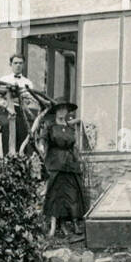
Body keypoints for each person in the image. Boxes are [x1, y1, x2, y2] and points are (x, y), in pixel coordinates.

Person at [42, 101, 87, 237]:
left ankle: (72, 224)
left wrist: (77, 158)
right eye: (60, 110)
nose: (62, 113)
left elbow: (74, 146)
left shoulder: (70, 128)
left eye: (65, 110)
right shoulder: (50, 127)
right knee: (55, 194)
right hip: (55, 162)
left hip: (70, 163)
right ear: (55, 112)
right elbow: (42, 143)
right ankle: (54, 226)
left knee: (71, 194)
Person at [0, 54, 36, 155]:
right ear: (11, 64)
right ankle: (7, 158)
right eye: (15, 63)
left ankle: (20, 162)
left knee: (23, 133)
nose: (18, 65)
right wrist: (9, 103)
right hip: (5, 111)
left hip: (21, 111)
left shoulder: (28, 83)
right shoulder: (3, 80)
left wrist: (15, 99)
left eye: (20, 63)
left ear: (23, 65)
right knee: (7, 127)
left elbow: (27, 100)